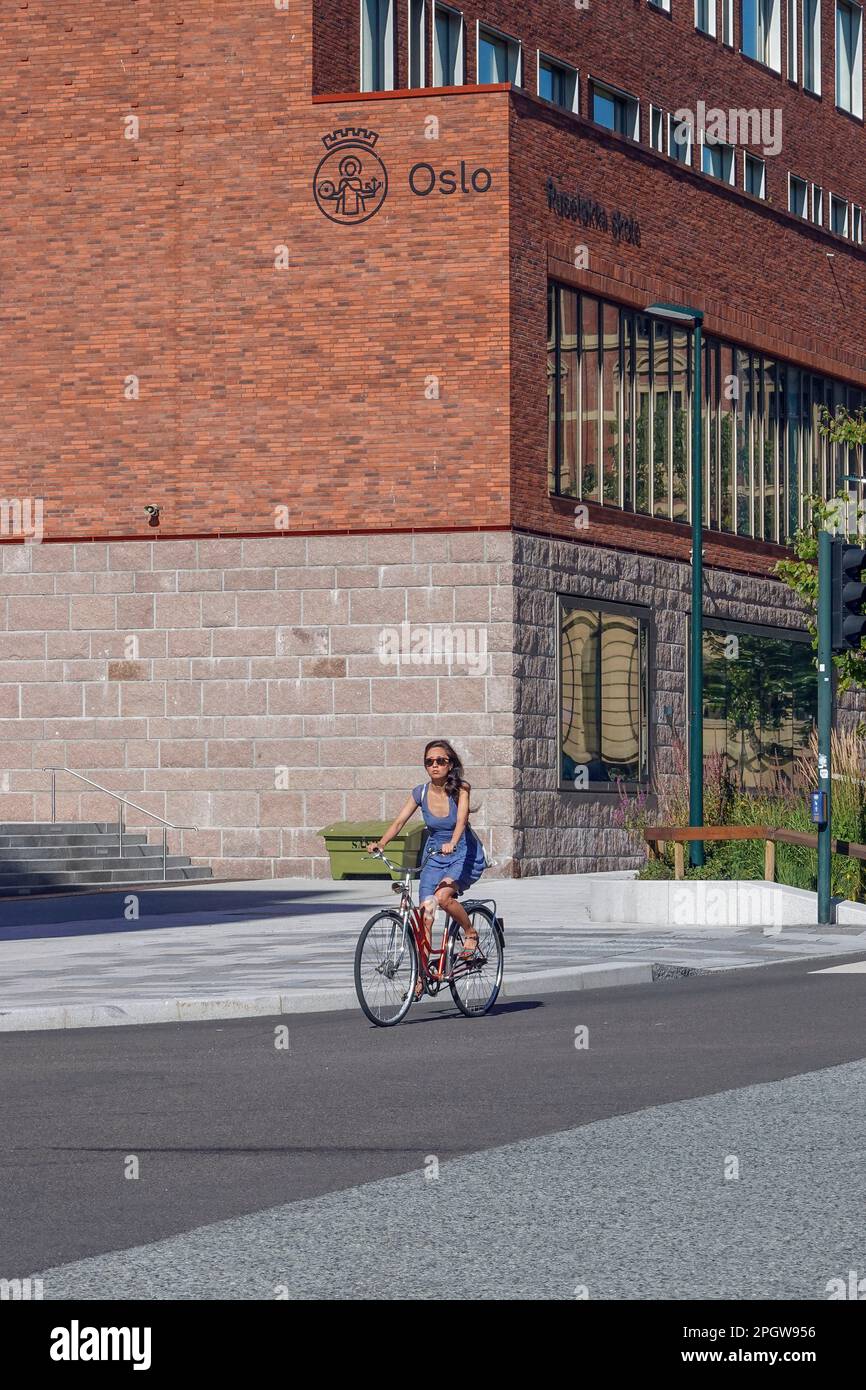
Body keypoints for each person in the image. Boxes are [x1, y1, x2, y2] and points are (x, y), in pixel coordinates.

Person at [367, 739, 486, 997]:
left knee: (443, 897)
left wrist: (452, 844)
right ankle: (421, 976)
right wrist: (381, 843)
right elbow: (399, 821)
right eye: (429, 762)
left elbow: (461, 823)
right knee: (425, 916)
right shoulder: (420, 793)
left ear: (450, 764)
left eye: (441, 761)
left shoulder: (461, 789)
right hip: (433, 855)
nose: (435, 766)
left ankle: (470, 932)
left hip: (462, 852)